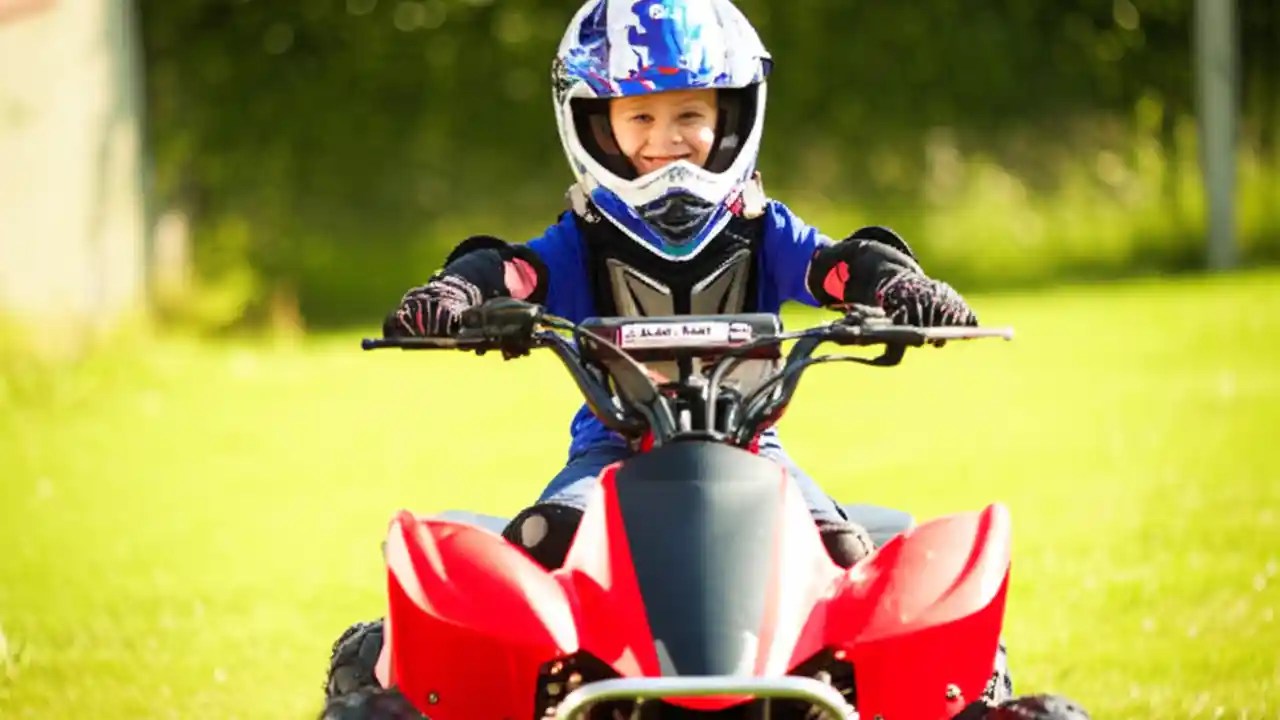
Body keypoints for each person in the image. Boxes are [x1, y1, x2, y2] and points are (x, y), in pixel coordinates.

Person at [327, 0, 1007, 706]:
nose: (666, 140)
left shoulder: (761, 229)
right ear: (596, 124)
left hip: (754, 455)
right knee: (539, 550)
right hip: (609, 458)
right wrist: (453, 296)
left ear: (732, 117)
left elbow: (836, 266)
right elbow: (511, 272)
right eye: (640, 118)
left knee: (844, 559)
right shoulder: (581, 239)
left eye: (689, 115)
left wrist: (901, 287)